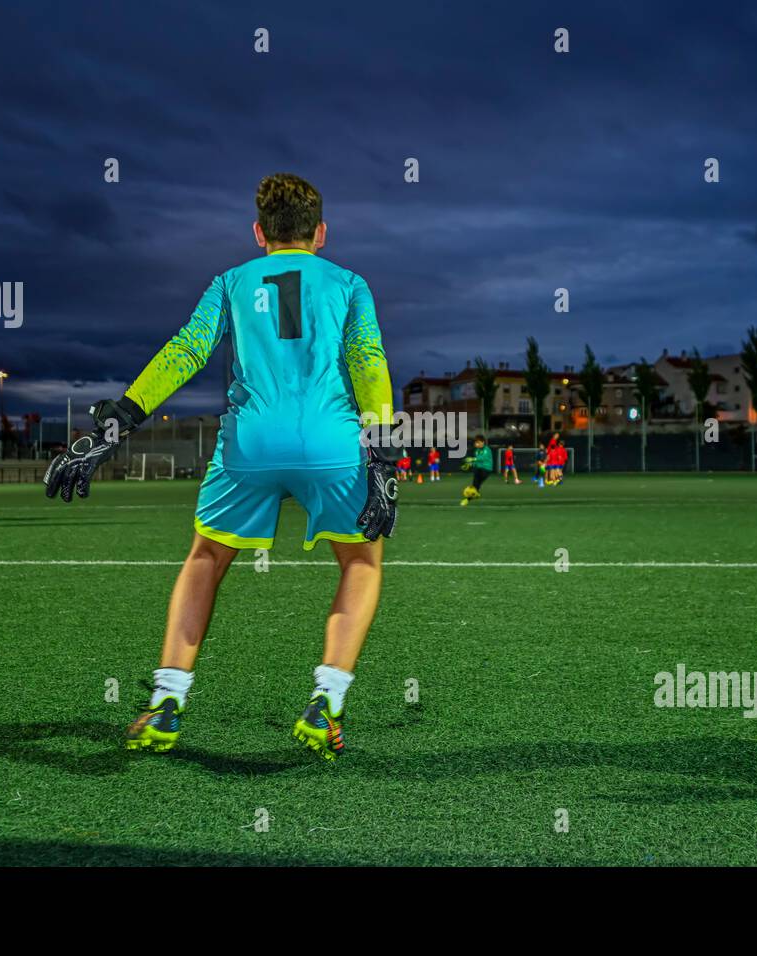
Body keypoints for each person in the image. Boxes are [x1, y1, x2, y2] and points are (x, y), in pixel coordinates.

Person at [43, 172, 397, 762]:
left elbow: (186, 351)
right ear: (321, 233)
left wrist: (117, 421)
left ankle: (167, 701)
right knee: (361, 562)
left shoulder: (231, 282)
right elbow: (367, 359)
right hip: (332, 443)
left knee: (206, 558)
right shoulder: (350, 283)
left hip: (250, 444)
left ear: (259, 232)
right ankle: (326, 701)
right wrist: (382, 450)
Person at [460, 435, 493, 506]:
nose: (477, 444)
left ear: (483, 442)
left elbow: (483, 458)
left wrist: (473, 459)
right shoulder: (477, 451)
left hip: (486, 469)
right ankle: (471, 497)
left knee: (476, 484)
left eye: (478, 442)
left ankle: (472, 495)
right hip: (479, 469)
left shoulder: (487, 449)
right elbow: (477, 462)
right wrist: (470, 464)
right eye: (476, 443)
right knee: (476, 484)